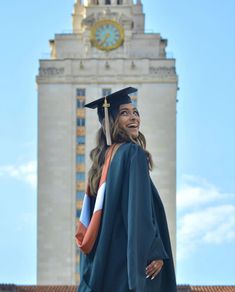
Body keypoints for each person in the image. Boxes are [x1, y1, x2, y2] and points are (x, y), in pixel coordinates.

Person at [76, 87, 177, 292]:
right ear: (111, 120)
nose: (134, 118)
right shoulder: (132, 153)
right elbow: (138, 210)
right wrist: (154, 251)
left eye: (135, 112)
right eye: (124, 113)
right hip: (128, 263)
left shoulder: (101, 164)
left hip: (106, 266)